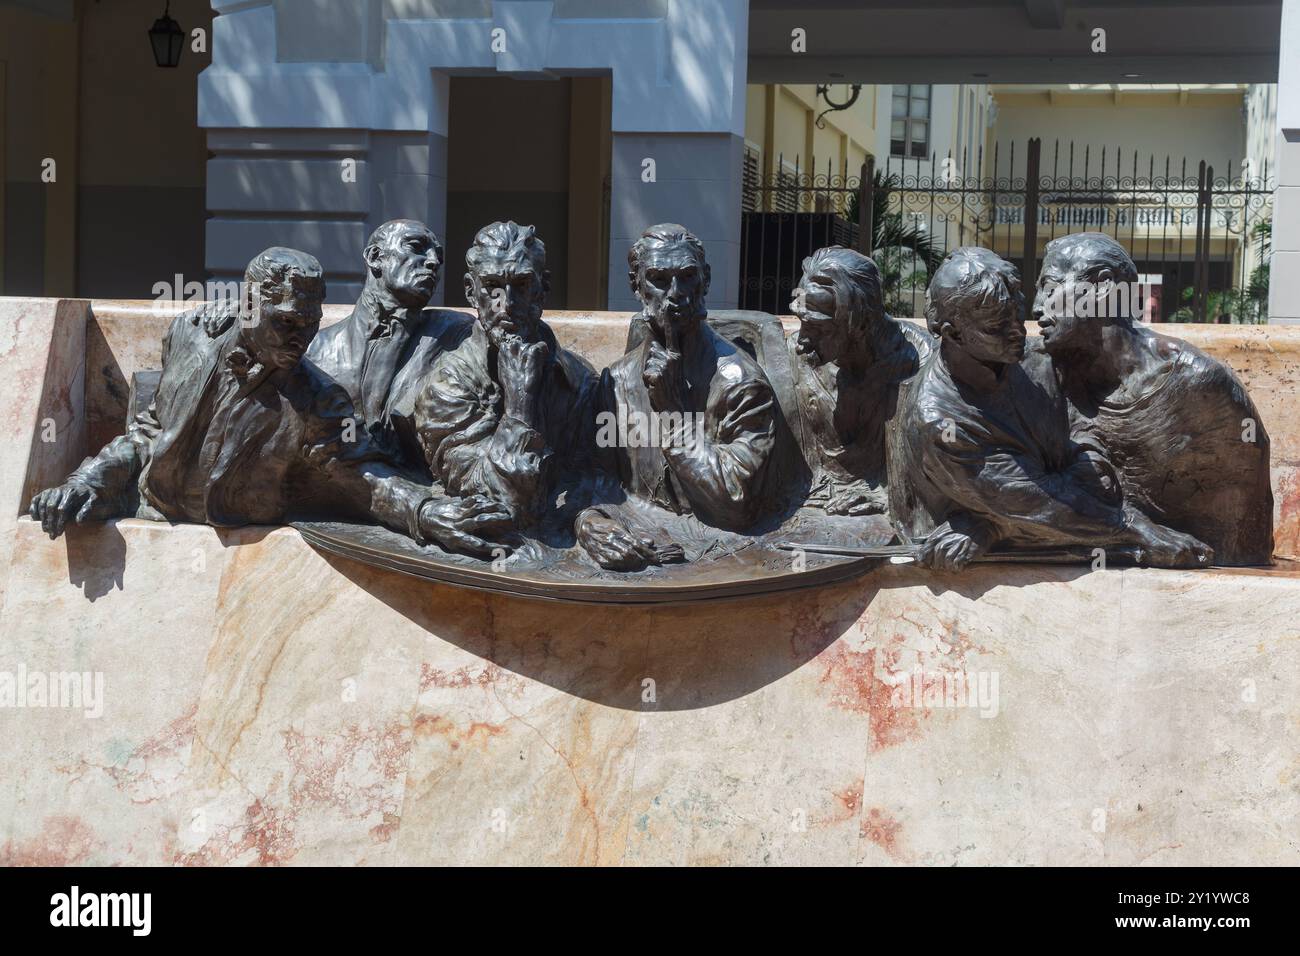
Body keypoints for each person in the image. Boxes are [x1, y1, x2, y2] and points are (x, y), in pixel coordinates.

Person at [29, 247, 512, 558]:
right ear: (251, 305)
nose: (302, 336)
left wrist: (425, 513)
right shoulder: (190, 334)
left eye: (311, 322)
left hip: (239, 543)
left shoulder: (319, 399)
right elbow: (151, 431)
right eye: (286, 322)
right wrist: (85, 482)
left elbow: (365, 478)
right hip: (150, 518)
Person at [887, 246, 1211, 571]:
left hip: (1028, 512)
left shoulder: (1029, 358)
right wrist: (1143, 531)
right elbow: (1041, 505)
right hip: (1000, 531)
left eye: (1018, 315)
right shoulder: (942, 423)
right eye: (997, 327)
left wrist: (995, 524)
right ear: (953, 333)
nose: (1018, 333)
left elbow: (1090, 447)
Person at [1031, 232, 1272, 565]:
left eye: (1051, 288)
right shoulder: (1041, 371)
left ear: (1102, 286)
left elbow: (1241, 545)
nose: (1036, 307)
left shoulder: (1198, 386)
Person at [787, 245, 931, 515]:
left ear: (860, 323)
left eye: (817, 328)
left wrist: (891, 496)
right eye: (801, 322)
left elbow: (944, 465)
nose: (801, 342)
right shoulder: (796, 356)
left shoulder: (919, 362)